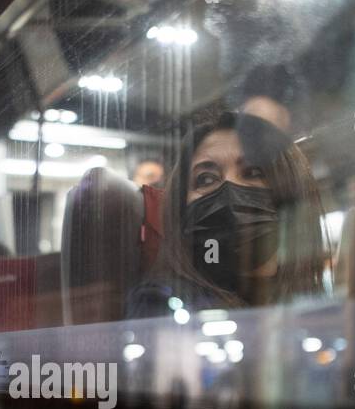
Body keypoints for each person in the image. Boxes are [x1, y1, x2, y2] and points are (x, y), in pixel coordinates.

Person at [127, 111, 327, 317]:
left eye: (252, 172)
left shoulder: (321, 315)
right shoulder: (162, 307)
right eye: (206, 179)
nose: (230, 189)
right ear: (180, 207)